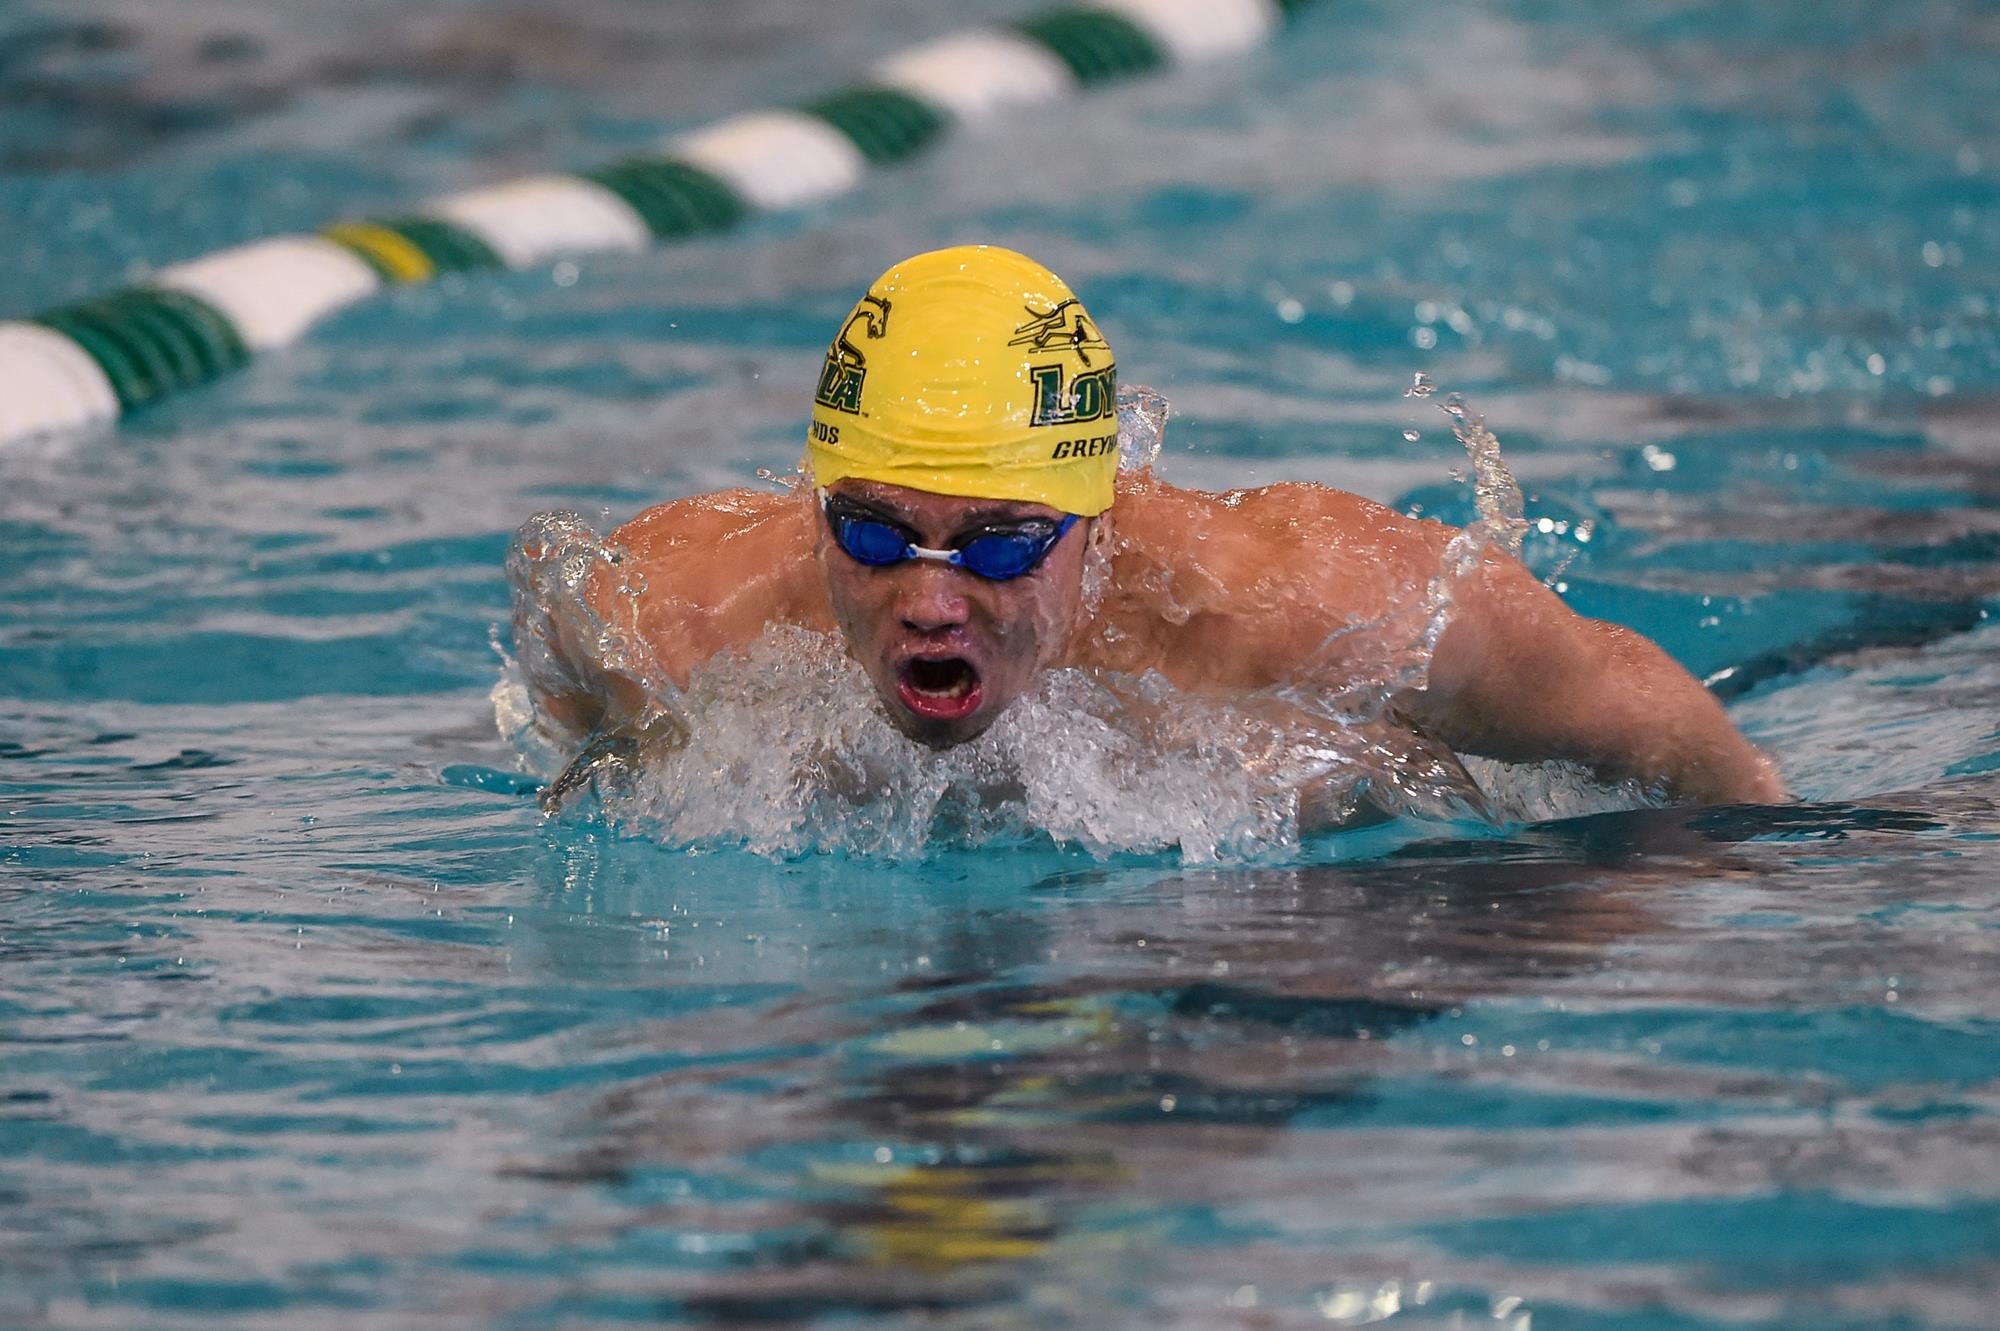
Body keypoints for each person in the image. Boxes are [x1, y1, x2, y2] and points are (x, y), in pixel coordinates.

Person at [515, 244, 1784, 817]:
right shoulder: (675, 609)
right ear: (817, 506)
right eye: (877, 534)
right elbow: (561, 642)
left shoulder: (1311, 608)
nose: (931, 597)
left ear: (1096, 517)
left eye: (1005, 542)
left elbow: (1691, 760)